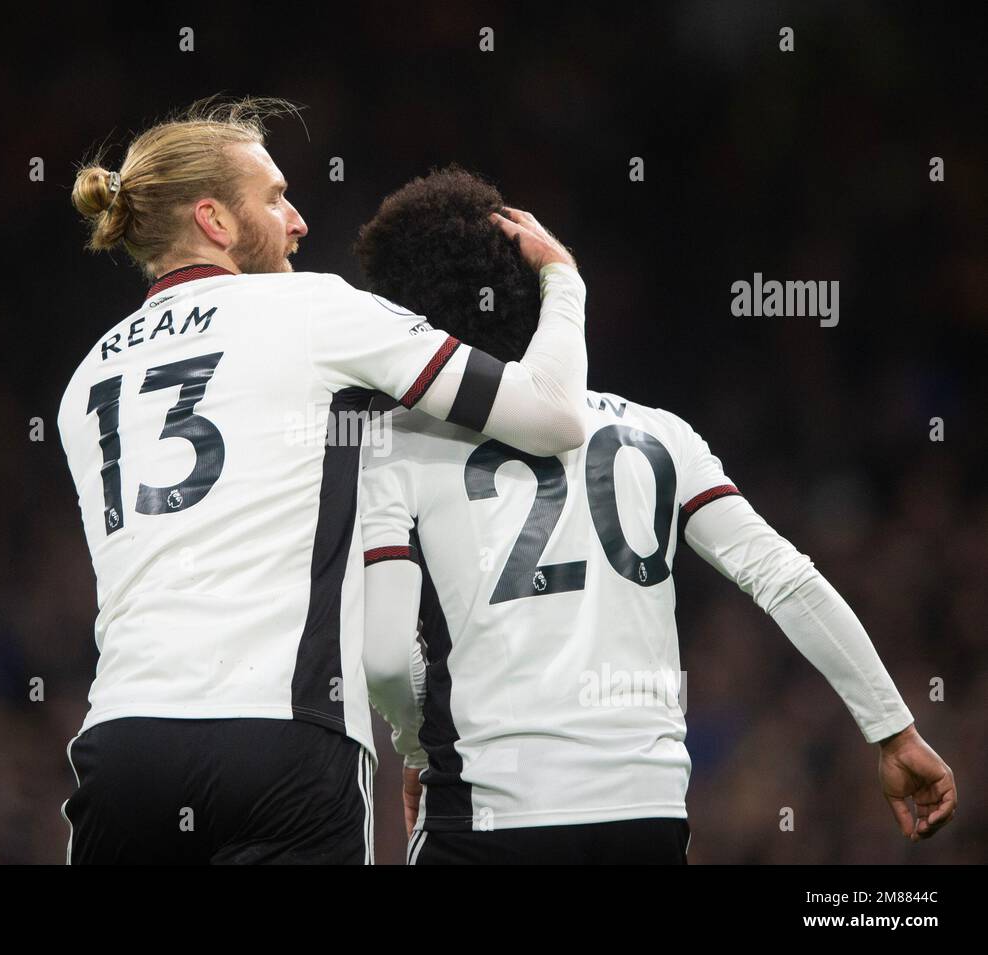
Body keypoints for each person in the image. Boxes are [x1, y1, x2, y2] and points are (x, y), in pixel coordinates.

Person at [355, 167, 958, 864]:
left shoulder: (395, 446)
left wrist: (415, 737)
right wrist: (894, 730)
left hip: (488, 812)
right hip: (646, 815)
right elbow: (785, 578)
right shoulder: (660, 432)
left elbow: (388, 657)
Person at [56, 99, 593, 863]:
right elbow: (553, 415)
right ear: (213, 218)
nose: (298, 219)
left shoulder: (85, 380)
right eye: (274, 197)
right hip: (283, 745)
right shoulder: (314, 310)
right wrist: (564, 282)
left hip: (120, 748)